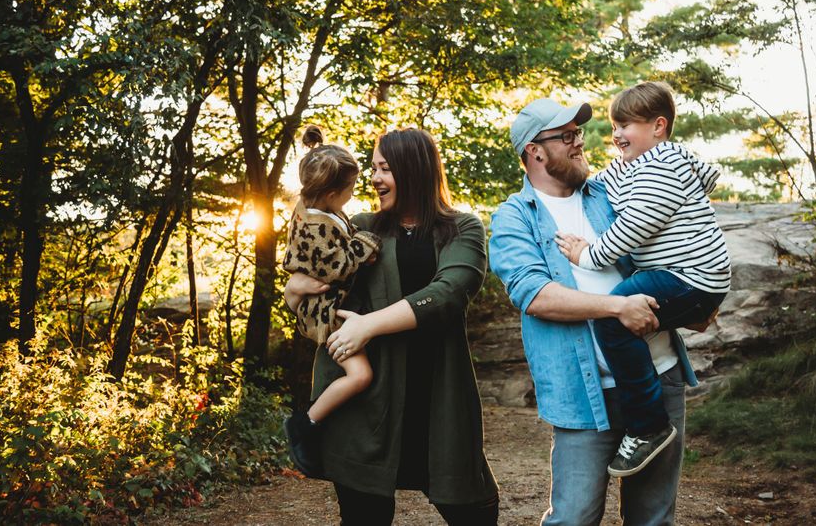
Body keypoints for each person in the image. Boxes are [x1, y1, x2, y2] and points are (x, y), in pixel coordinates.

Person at [488, 97, 700, 526]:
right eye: (566, 135)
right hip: (583, 393)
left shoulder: (611, 192)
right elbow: (535, 295)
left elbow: (673, 241)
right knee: (573, 517)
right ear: (535, 151)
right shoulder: (514, 217)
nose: (579, 142)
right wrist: (618, 307)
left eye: (578, 132)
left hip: (659, 375)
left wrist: (696, 301)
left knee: (653, 518)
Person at [283, 127, 499, 526]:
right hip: (368, 407)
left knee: (475, 513)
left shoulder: (462, 228)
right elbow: (323, 298)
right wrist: (293, 292)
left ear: (413, 168)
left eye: (384, 168)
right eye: (373, 169)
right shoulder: (362, 229)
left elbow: (449, 292)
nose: (374, 178)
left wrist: (369, 326)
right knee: (363, 517)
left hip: (437, 399)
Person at [553, 82, 729, 477]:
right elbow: (601, 184)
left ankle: (648, 425)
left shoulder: (664, 168)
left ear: (658, 126)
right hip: (677, 276)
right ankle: (645, 417)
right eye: (615, 126)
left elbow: (635, 226)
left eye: (626, 125)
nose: (616, 134)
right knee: (622, 312)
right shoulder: (635, 165)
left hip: (692, 277)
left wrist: (588, 255)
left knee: (615, 318)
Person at [282, 125, 382, 476]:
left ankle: (314, 422)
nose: (354, 193)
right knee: (361, 375)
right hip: (328, 311)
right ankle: (305, 424)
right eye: (351, 188)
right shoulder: (315, 226)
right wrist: (366, 244)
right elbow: (335, 268)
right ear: (331, 193)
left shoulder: (317, 207)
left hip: (330, 304)